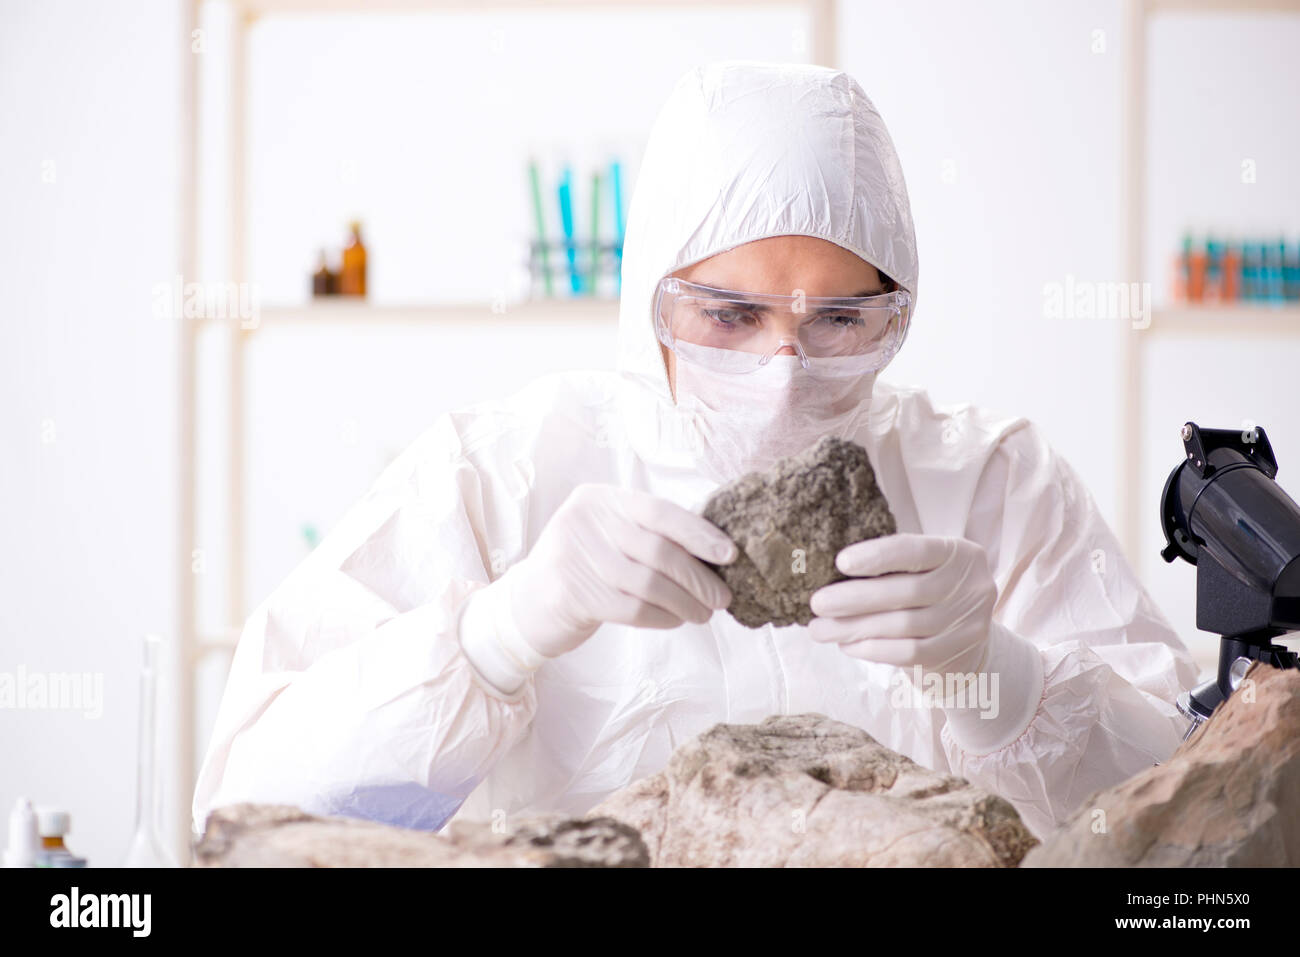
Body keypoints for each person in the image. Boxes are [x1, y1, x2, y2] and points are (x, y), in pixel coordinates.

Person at [192, 60, 1199, 842]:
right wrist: (502, 632)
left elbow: (1188, 832)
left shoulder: (995, 485)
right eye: (727, 315)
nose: (784, 366)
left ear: (899, 311)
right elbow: (249, 805)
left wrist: (999, 675)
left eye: (841, 320)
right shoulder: (495, 474)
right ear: (651, 298)